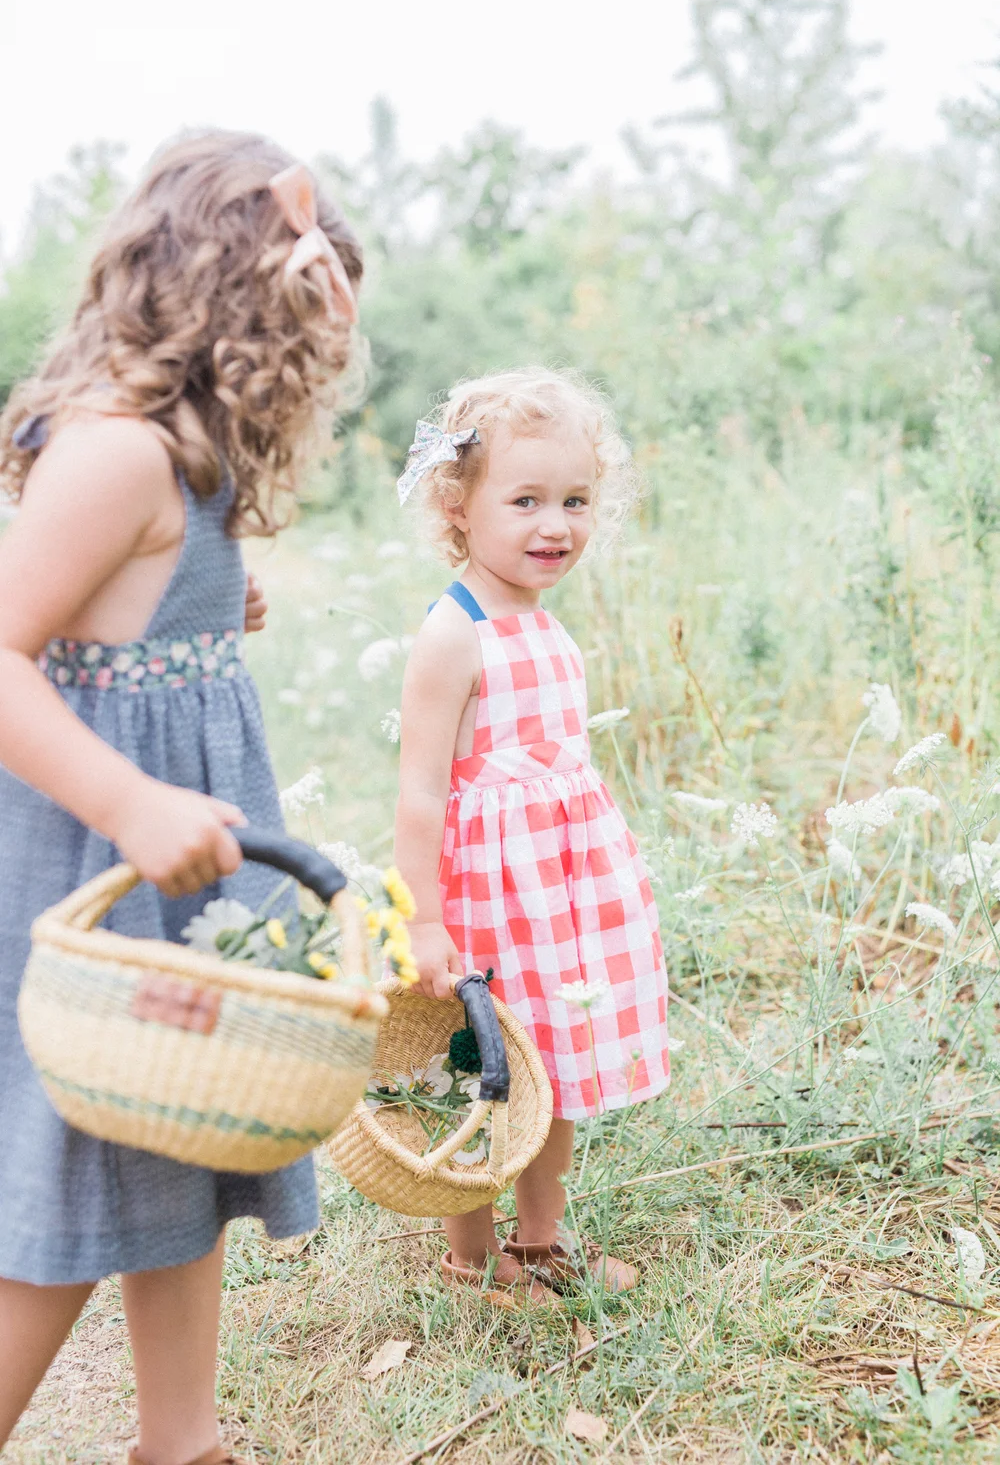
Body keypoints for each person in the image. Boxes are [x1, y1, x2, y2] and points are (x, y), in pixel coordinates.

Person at [0, 132, 362, 1464]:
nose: (318, 350)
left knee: (183, 1122)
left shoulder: (188, 459)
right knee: (72, 1160)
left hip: (175, 843)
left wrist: (209, 607)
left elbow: (122, 608)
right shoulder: (119, 453)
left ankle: (181, 1440)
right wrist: (132, 802)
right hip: (94, 849)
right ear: (227, 301)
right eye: (304, 311)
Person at [394, 368, 671, 1309]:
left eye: (575, 501)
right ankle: (471, 1259)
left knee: (551, 1065)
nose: (556, 525)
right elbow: (420, 793)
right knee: (484, 1069)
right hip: (488, 895)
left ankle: (542, 1241)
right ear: (458, 506)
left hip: (560, 892)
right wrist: (423, 923)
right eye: (526, 501)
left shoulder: (545, 624)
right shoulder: (454, 632)